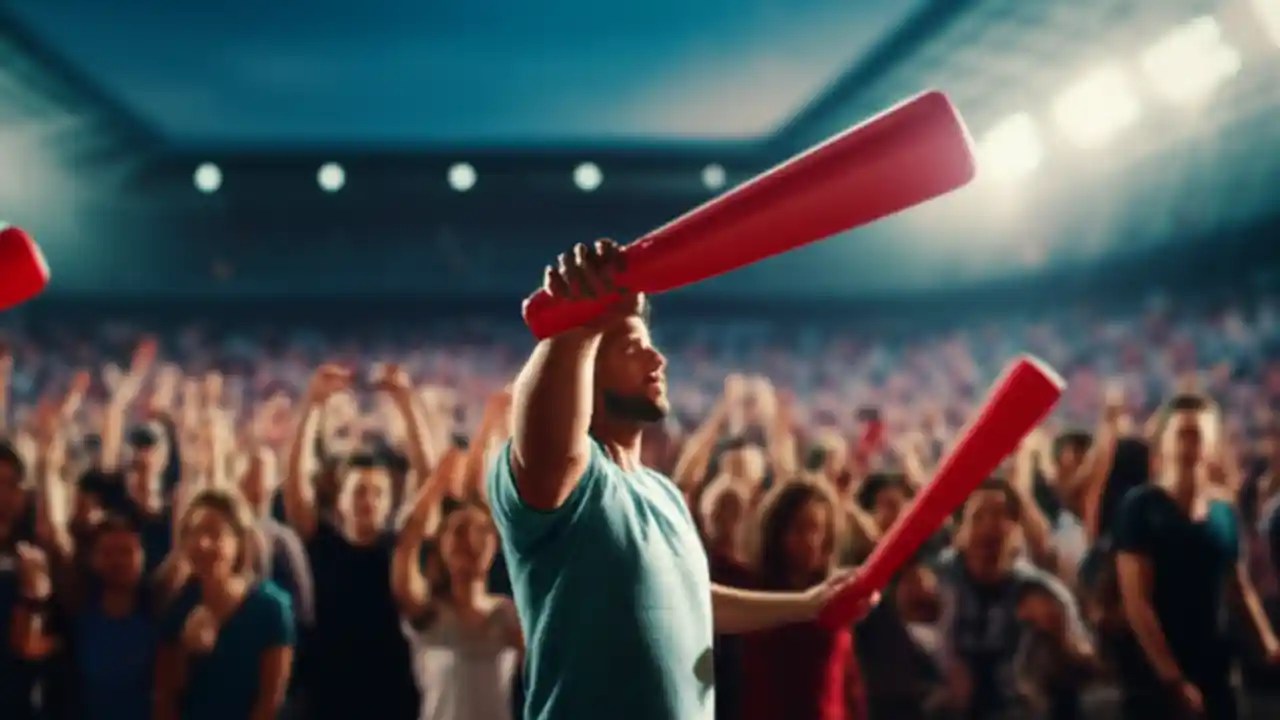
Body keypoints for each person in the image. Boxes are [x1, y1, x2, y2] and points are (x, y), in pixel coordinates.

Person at [487, 239, 871, 720]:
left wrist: (805, 605)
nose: (657, 361)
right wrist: (573, 329)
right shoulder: (569, 481)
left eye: (652, 347)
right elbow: (543, 432)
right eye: (632, 349)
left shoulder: (662, 492)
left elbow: (691, 595)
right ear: (586, 372)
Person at [1114, 393, 1280, 720]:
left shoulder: (1223, 510)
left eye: (1199, 433)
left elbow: (1237, 586)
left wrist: (1269, 646)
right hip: (1155, 675)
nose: (1192, 443)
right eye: (1183, 433)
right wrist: (1172, 678)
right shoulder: (1141, 506)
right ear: (1164, 441)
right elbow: (1137, 602)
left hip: (1216, 664)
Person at [283, 364, 429, 720]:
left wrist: (407, 403)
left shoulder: (400, 547)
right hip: (327, 693)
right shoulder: (322, 542)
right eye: (359, 491)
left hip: (391, 692)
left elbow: (428, 480)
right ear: (339, 498)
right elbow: (295, 486)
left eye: (378, 493)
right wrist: (313, 405)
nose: (369, 500)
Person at [936, 479, 1092, 720]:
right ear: (959, 530)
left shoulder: (1042, 590)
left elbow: (1084, 667)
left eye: (1001, 515)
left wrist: (1058, 640)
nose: (990, 527)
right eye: (978, 517)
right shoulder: (937, 582)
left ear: (1017, 529)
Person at [155, 488, 295, 720]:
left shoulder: (270, 607)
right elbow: (165, 696)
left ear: (238, 541)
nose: (202, 543)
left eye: (214, 533)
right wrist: (184, 650)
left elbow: (270, 701)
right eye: (193, 532)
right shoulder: (178, 605)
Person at [394, 478, 522, 720]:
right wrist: (438, 481)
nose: (470, 541)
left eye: (481, 530)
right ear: (441, 544)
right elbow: (407, 539)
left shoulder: (507, 615)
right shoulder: (427, 611)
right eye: (460, 531)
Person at [741, 479, 866, 720]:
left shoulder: (836, 597)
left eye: (816, 530)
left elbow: (848, 681)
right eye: (799, 529)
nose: (809, 541)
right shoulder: (754, 595)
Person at [13, 514, 157, 720]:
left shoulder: (158, 614)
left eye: (126, 552)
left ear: (142, 557)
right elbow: (29, 646)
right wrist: (33, 596)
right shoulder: (73, 619)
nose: (117, 561)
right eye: (107, 553)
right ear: (93, 558)